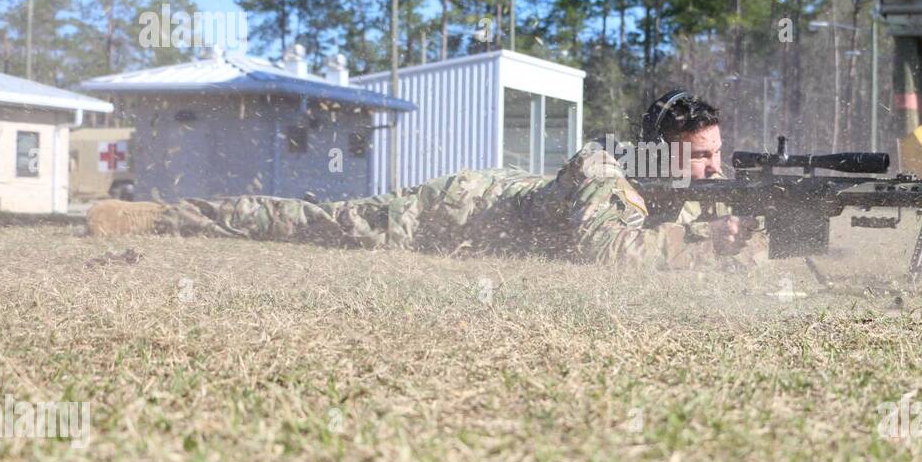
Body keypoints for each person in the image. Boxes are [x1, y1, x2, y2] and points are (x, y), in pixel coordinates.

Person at [87, 91, 766, 269]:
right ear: (660, 149)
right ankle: (165, 216)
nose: (714, 169)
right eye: (701, 155)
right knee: (318, 224)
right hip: (449, 212)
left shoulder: (671, 202)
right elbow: (607, 257)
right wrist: (713, 241)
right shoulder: (604, 170)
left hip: (477, 218)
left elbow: (694, 254)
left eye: (716, 155)